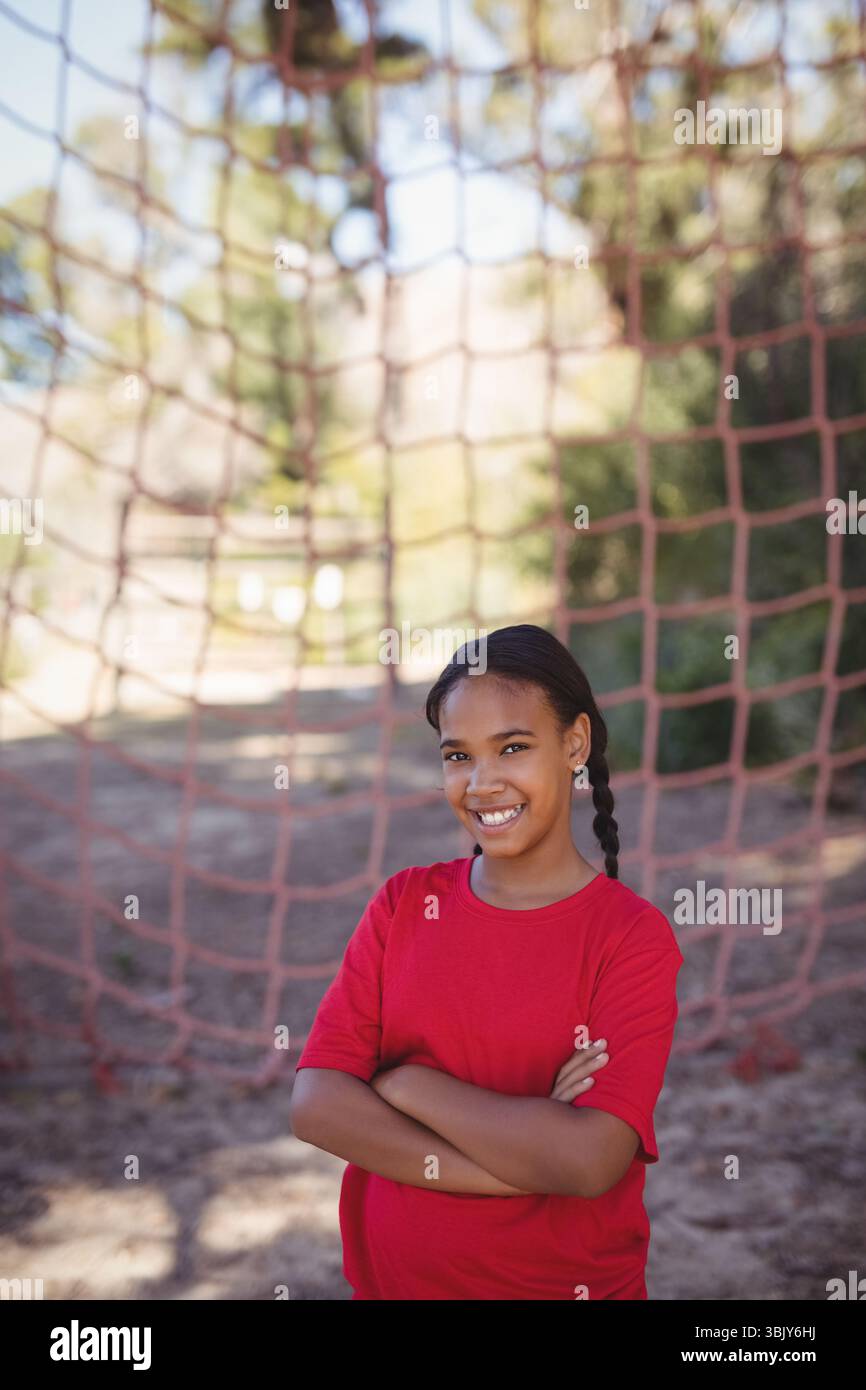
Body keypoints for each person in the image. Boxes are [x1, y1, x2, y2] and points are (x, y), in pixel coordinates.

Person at [291, 623, 684, 1300]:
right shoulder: (403, 905)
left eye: (512, 747)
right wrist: (516, 1161)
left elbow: (589, 1160)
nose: (481, 782)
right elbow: (318, 1106)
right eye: (456, 756)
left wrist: (407, 1085)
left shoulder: (630, 938)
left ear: (575, 744)